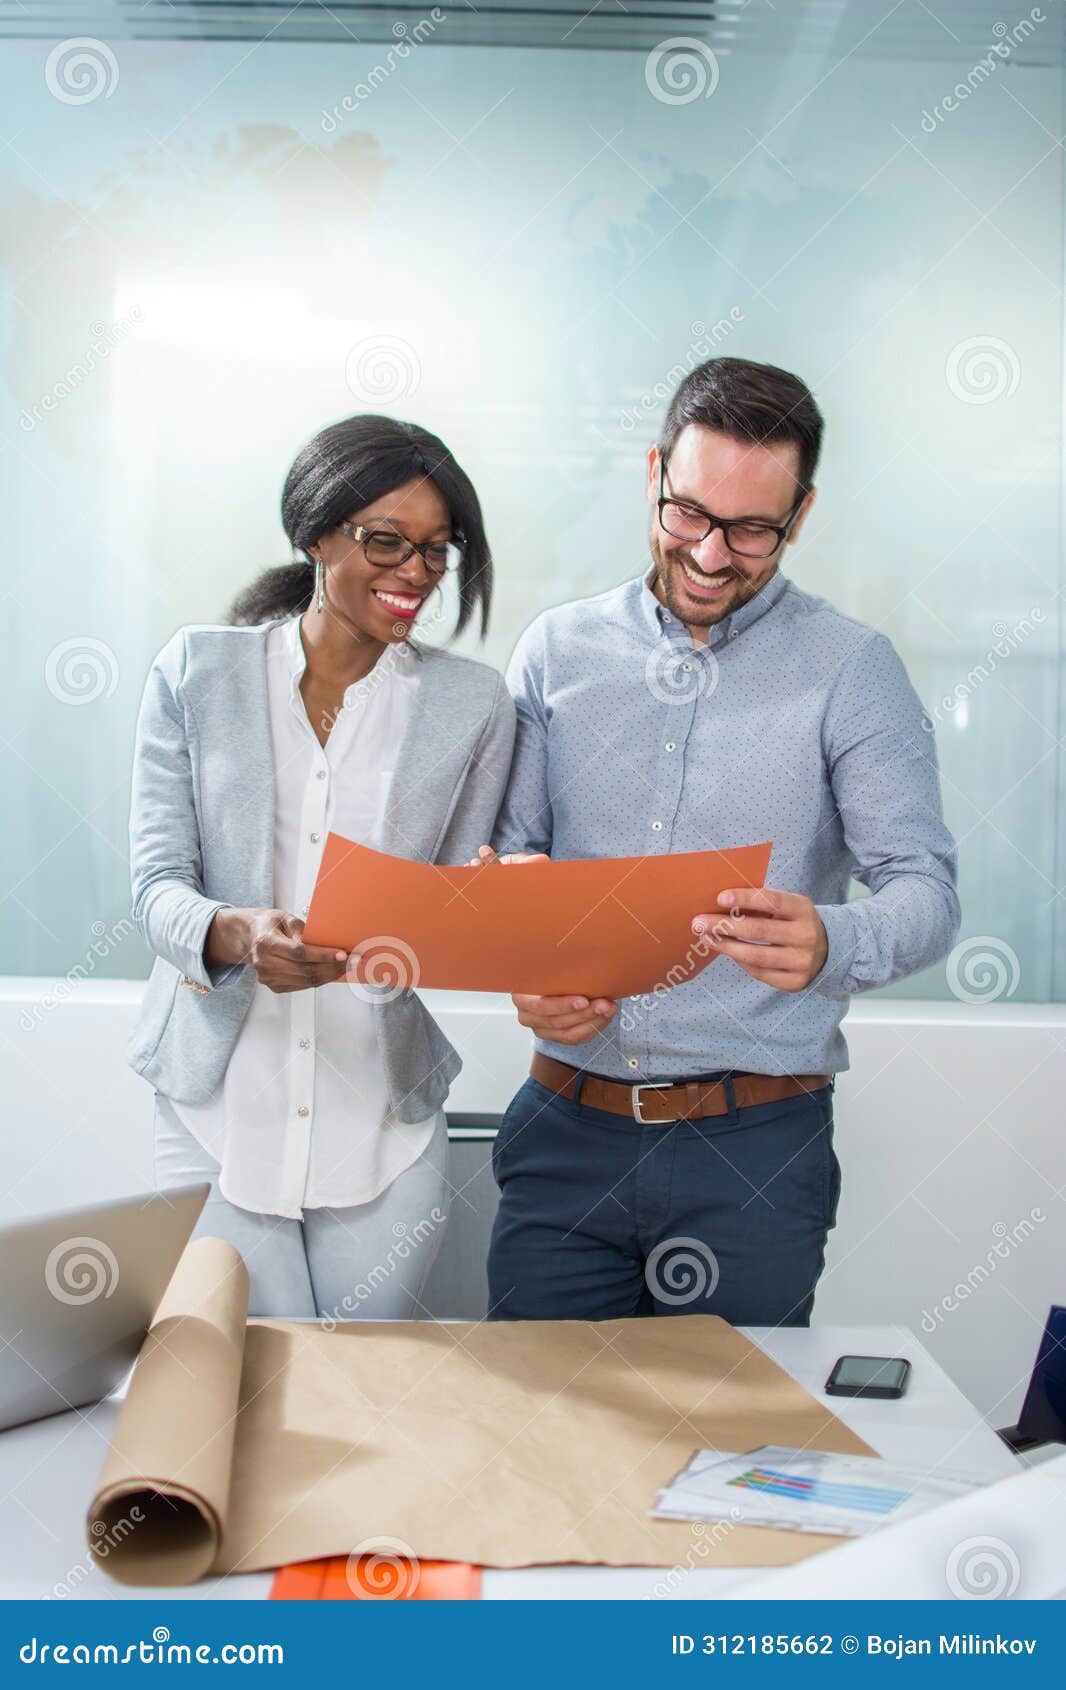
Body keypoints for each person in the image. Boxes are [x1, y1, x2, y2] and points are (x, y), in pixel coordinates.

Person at [483, 356, 960, 1326]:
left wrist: (836, 940)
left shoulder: (852, 670)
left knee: (730, 1458)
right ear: (655, 471)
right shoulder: (555, 651)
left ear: (802, 513)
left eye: (751, 531)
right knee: (530, 1438)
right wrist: (523, 962)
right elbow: (508, 858)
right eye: (688, 514)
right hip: (563, 1132)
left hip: (752, 1152)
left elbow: (924, 890)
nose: (709, 556)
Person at [128, 415, 515, 1320]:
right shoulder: (198, 673)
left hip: (382, 1122)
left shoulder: (473, 704)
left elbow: (454, 898)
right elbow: (155, 889)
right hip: (218, 1115)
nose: (414, 573)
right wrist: (235, 932)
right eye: (386, 541)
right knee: (256, 1393)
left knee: (366, 1401)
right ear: (314, 535)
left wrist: (491, 902)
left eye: (436, 551)